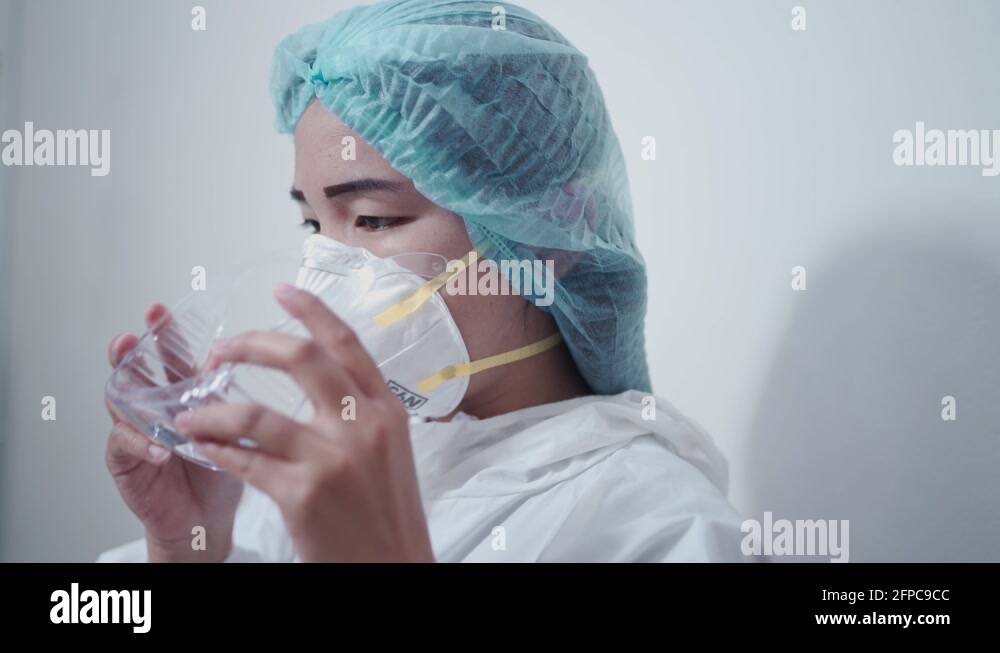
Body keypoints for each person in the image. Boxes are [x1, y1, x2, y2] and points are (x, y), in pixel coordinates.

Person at [98, 0, 747, 563]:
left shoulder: (661, 528)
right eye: (312, 224)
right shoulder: (322, 466)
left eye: (375, 218)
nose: (323, 276)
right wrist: (191, 547)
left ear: (553, 232)